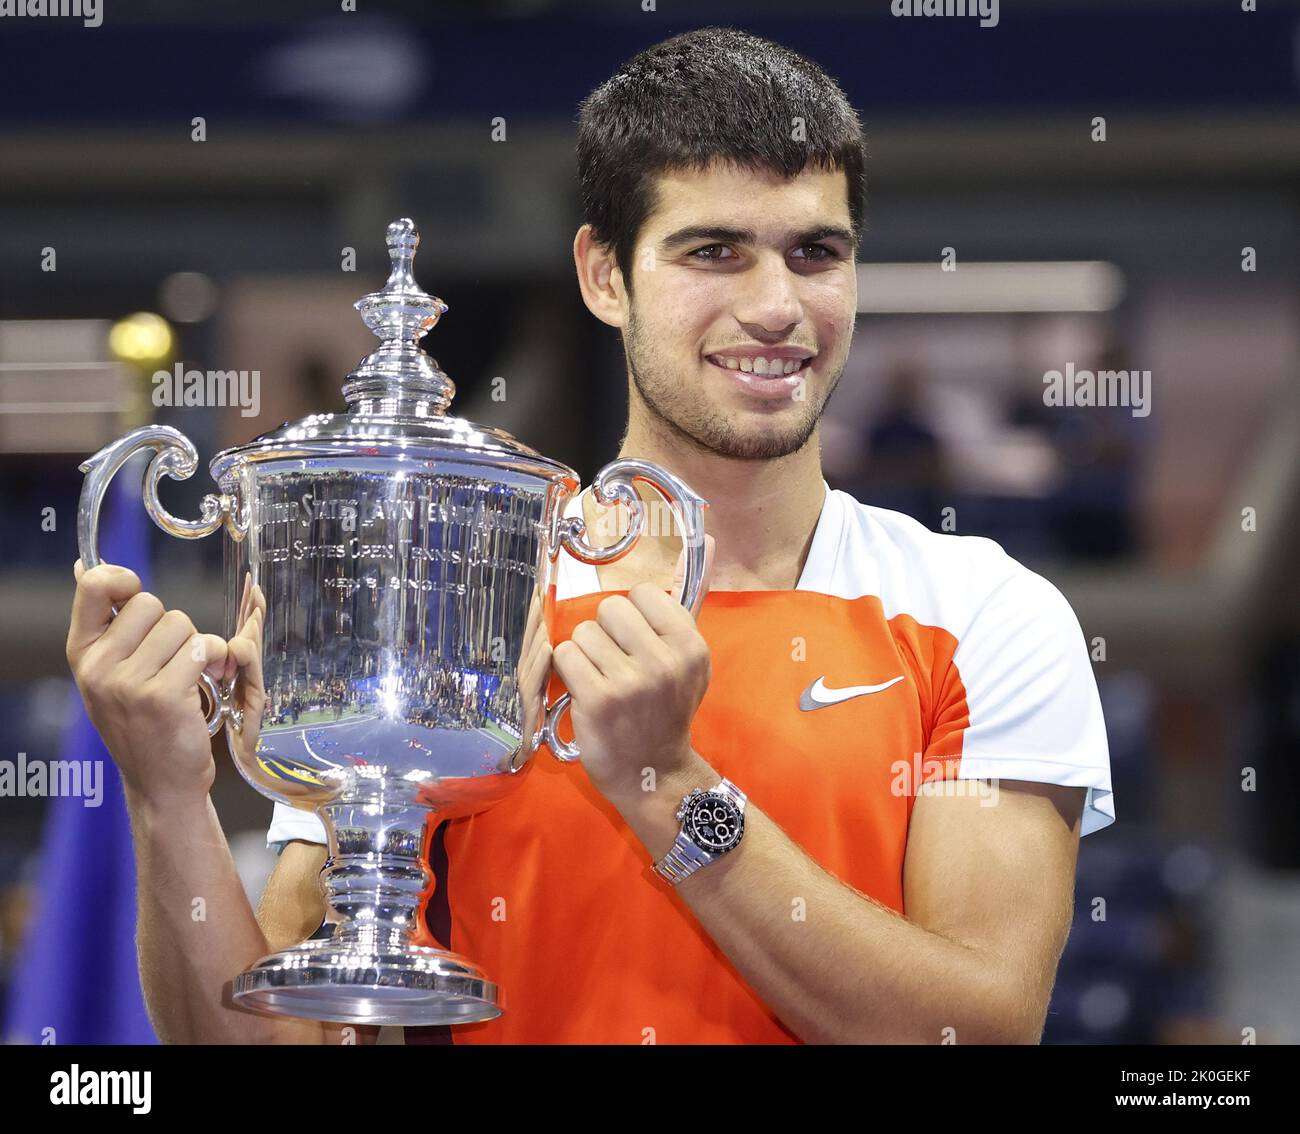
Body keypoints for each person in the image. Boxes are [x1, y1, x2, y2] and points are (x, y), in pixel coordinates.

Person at [66, 27, 1113, 1045]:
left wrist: (669, 786)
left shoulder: (983, 616)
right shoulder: (457, 599)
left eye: (816, 253)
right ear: (604, 275)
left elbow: (976, 1028)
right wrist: (168, 799)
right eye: (714, 251)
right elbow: (280, 1043)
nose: (776, 306)